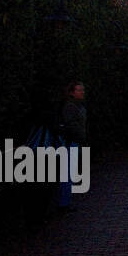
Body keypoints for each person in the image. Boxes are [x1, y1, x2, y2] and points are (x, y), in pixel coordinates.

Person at [56, 81, 87, 210]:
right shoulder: (70, 107)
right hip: (70, 142)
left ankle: (65, 202)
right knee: (67, 173)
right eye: (79, 90)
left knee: (69, 173)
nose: (82, 92)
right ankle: (64, 203)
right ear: (72, 92)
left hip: (75, 141)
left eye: (82, 90)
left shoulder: (78, 106)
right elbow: (71, 125)